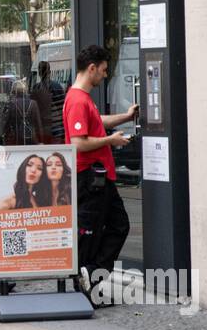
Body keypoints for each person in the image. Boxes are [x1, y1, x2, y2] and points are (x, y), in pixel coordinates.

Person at [64, 45, 139, 304]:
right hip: (90, 179)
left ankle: (92, 280)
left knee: (117, 226)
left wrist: (125, 117)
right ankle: (86, 287)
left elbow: (97, 121)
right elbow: (77, 142)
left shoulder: (83, 99)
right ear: (92, 68)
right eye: (104, 70)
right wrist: (111, 141)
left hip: (99, 178)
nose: (105, 75)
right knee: (90, 233)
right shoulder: (77, 99)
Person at [31, 61, 67, 143]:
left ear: (39, 73)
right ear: (49, 72)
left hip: (42, 129)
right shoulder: (57, 87)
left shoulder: (36, 88)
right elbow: (62, 108)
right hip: (56, 128)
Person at [0, 79, 43, 146]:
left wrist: (4, 137)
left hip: (17, 138)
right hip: (32, 138)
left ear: (14, 91)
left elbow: (6, 124)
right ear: (25, 90)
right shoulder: (33, 103)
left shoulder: (11, 104)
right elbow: (38, 124)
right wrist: (41, 140)